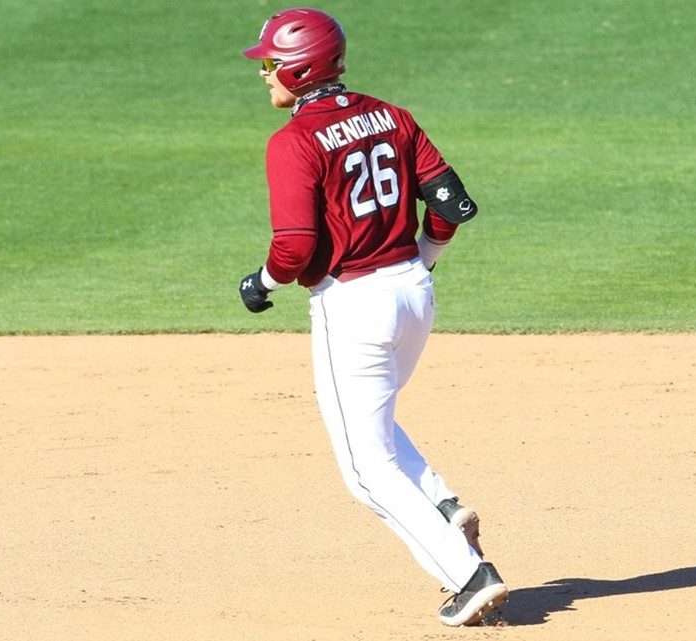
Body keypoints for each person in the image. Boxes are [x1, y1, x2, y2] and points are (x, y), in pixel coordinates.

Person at [236, 8, 508, 627]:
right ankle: (440, 504)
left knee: (363, 470)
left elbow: (296, 248)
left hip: (355, 305)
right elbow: (448, 200)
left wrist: (263, 283)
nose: (265, 75)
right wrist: (427, 257)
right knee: (375, 424)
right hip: (414, 294)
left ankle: (468, 576)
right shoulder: (392, 115)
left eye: (272, 64)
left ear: (301, 68)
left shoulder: (294, 142)